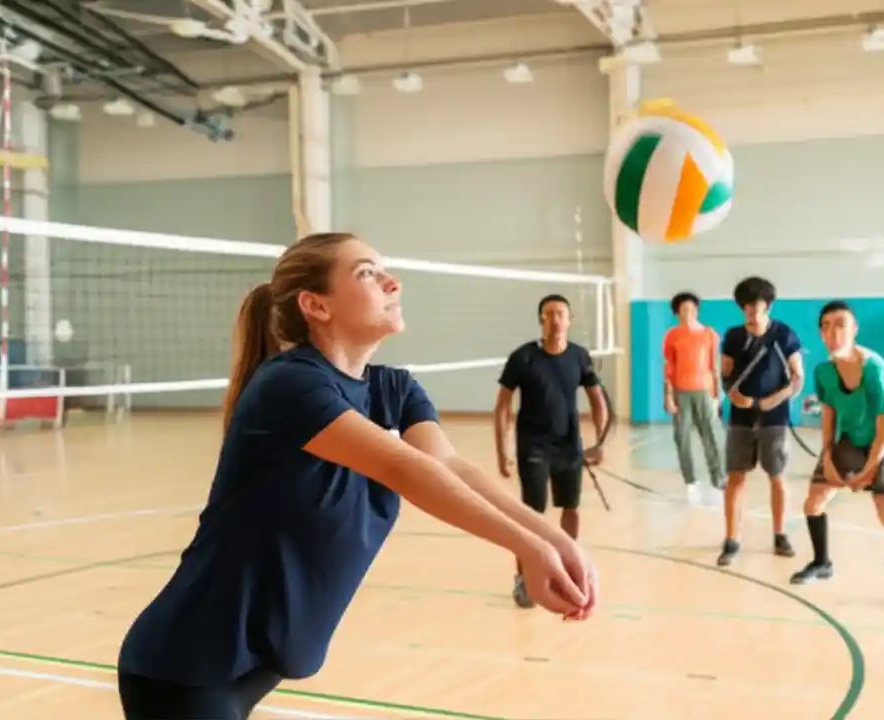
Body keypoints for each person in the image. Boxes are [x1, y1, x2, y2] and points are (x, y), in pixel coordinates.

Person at [116, 233, 598, 719]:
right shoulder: (289, 385)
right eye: (367, 272)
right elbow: (406, 470)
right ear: (316, 305)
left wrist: (552, 541)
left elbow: (449, 467)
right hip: (186, 669)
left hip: (246, 668)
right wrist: (530, 548)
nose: (393, 282)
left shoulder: (396, 390)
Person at [791, 300, 884, 612]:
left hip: (881, 443)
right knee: (814, 501)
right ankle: (822, 563)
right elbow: (829, 414)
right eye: (826, 325)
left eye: (840, 324)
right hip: (849, 439)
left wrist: (867, 472)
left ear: (854, 329)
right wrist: (830, 458)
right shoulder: (823, 372)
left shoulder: (874, 370)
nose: (833, 331)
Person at [495, 294, 608, 609]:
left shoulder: (579, 357)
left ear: (569, 319)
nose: (555, 319)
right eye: (548, 314)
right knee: (531, 516)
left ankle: (569, 567)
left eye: (560, 313)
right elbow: (503, 406)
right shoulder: (524, 357)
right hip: (533, 447)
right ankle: (523, 577)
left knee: (570, 508)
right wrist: (501, 450)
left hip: (569, 447)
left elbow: (598, 401)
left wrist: (600, 442)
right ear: (541, 320)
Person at [717, 276, 803, 567]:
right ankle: (731, 539)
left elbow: (797, 377)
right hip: (741, 417)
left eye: (758, 308)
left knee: (776, 475)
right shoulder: (733, 337)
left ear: (769, 306)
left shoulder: (785, 335)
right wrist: (732, 394)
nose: (753, 314)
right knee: (736, 477)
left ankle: (780, 535)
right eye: (747, 309)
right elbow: (725, 374)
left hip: (775, 418)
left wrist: (777, 398)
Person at [662, 291, 725, 505]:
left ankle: (718, 482)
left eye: (691, 309)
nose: (687, 313)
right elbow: (669, 368)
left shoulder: (709, 334)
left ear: (696, 311)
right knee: (681, 438)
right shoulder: (672, 336)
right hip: (681, 393)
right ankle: (691, 482)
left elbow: (715, 367)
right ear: (677, 313)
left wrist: (718, 397)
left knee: (710, 438)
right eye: (683, 309)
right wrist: (668, 396)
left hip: (705, 392)